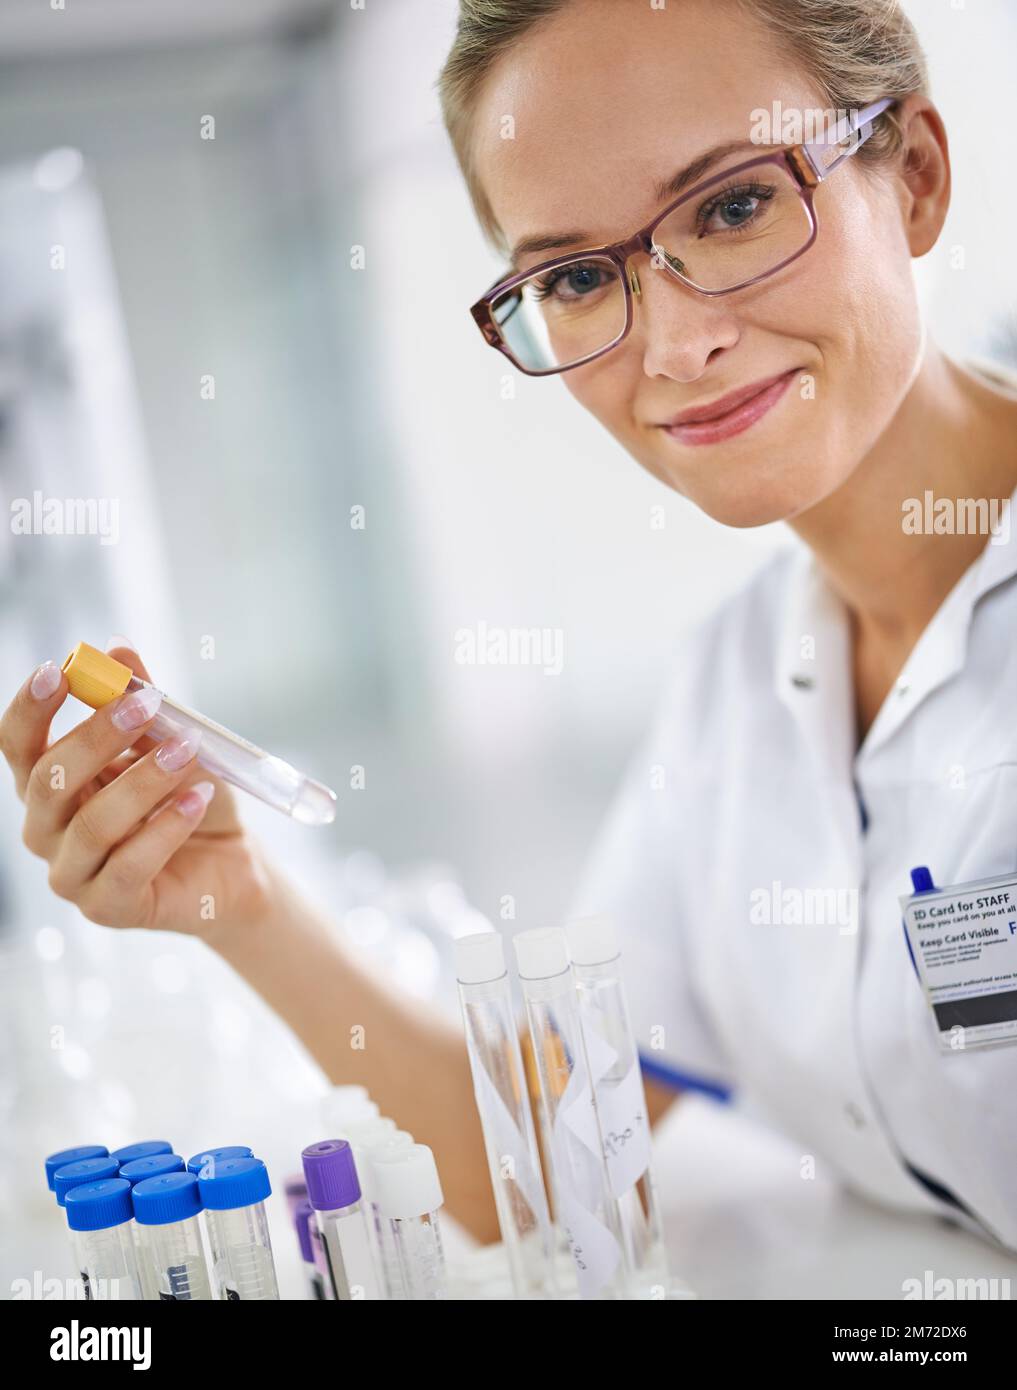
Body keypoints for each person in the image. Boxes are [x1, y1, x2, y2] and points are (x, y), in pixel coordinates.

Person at [3, 0, 1016, 1249]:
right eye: (582, 276)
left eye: (736, 204)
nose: (679, 340)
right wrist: (237, 898)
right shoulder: (744, 690)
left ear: (913, 176)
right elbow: (556, 1160)